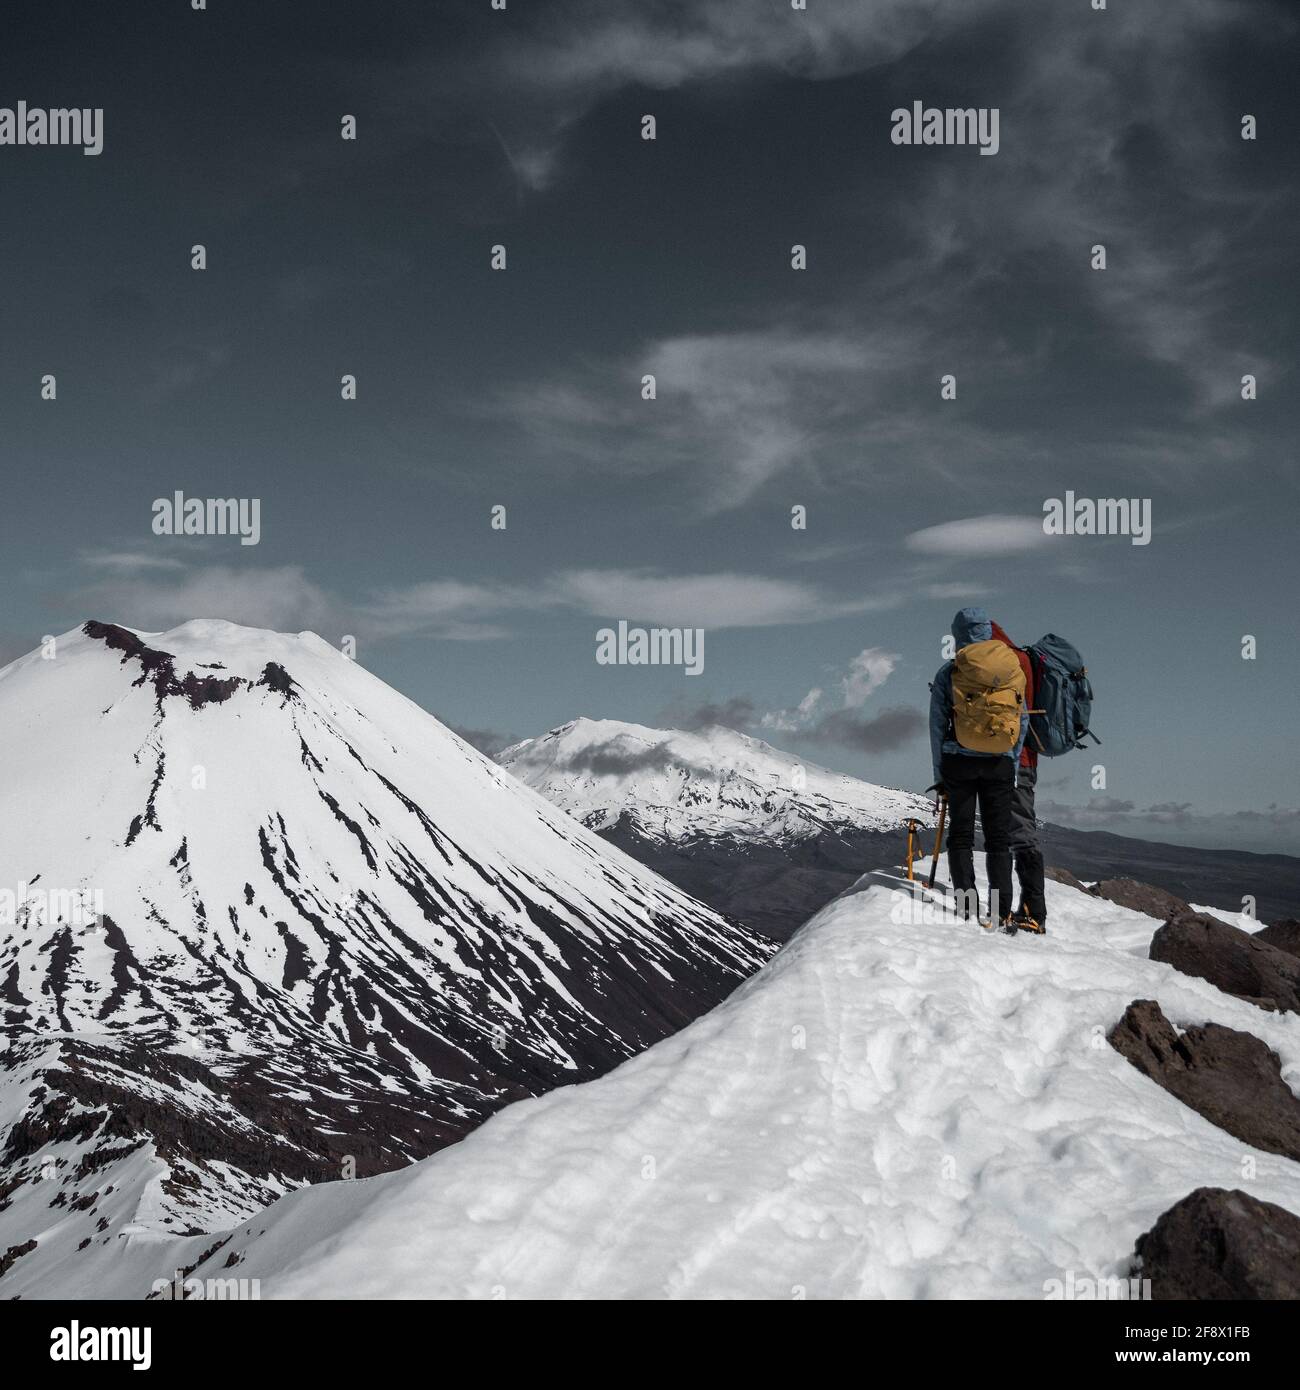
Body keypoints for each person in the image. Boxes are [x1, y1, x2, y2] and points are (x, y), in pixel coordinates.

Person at [928, 607, 1027, 926]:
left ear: (958, 635)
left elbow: (936, 725)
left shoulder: (951, 671)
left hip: (960, 762)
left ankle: (966, 905)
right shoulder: (1012, 669)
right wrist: (1011, 761)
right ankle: (1000, 911)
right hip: (999, 763)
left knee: (961, 836)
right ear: (987, 631)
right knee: (999, 839)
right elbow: (1021, 719)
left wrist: (940, 774)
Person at [988, 619, 1047, 932]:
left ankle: (1032, 913)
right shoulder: (1020, 658)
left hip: (1013, 761)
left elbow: (1014, 715)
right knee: (1016, 829)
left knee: (1019, 832)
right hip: (1025, 761)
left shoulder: (1007, 661)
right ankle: (1025, 910)